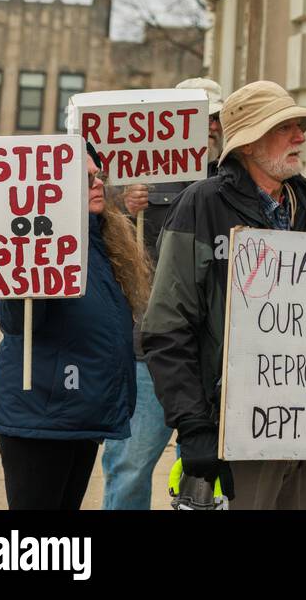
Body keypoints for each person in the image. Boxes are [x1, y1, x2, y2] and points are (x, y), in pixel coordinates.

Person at [141, 80, 306, 510]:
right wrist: (193, 424)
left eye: (299, 126)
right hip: (235, 428)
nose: (300, 136)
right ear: (249, 143)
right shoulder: (201, 205)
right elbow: (166, 326)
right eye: (285, 127)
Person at [0, 145, 148, 511]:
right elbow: (16, 324)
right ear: (52, 185)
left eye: (98, 175)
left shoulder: (102, 238)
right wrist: (26, 259)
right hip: (40, 417)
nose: (98, 183)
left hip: (83, 412)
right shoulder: (40, 239)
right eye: (86, 177)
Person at [101, 77, 223, 510]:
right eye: (196, 117)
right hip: (146, 354)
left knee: (213, 479)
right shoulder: (134, 185)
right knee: (130, 466)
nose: (207, 126)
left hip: (216, 361)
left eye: (213, 117)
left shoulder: (237, 184)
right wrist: (119, 210)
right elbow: (96, 254)